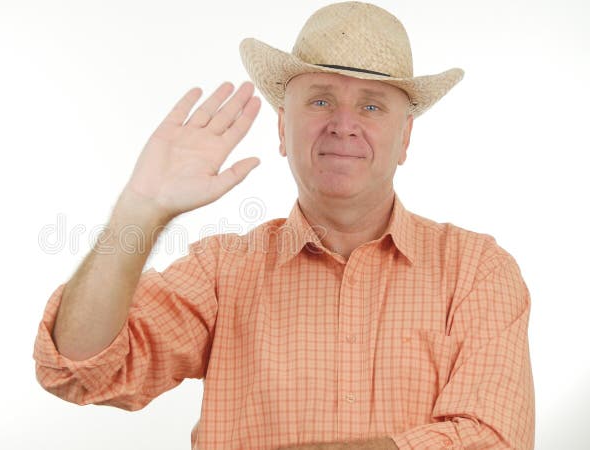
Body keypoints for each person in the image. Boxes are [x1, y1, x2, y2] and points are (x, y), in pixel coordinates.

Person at [33, 2, 535, 449]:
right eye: (319, 100)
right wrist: (140, 209)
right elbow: (79, 368)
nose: (343, 123)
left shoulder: (476, 270)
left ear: (405, 138)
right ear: (281, 128)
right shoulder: (221, 270)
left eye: (371, 105)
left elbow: (494, 439)